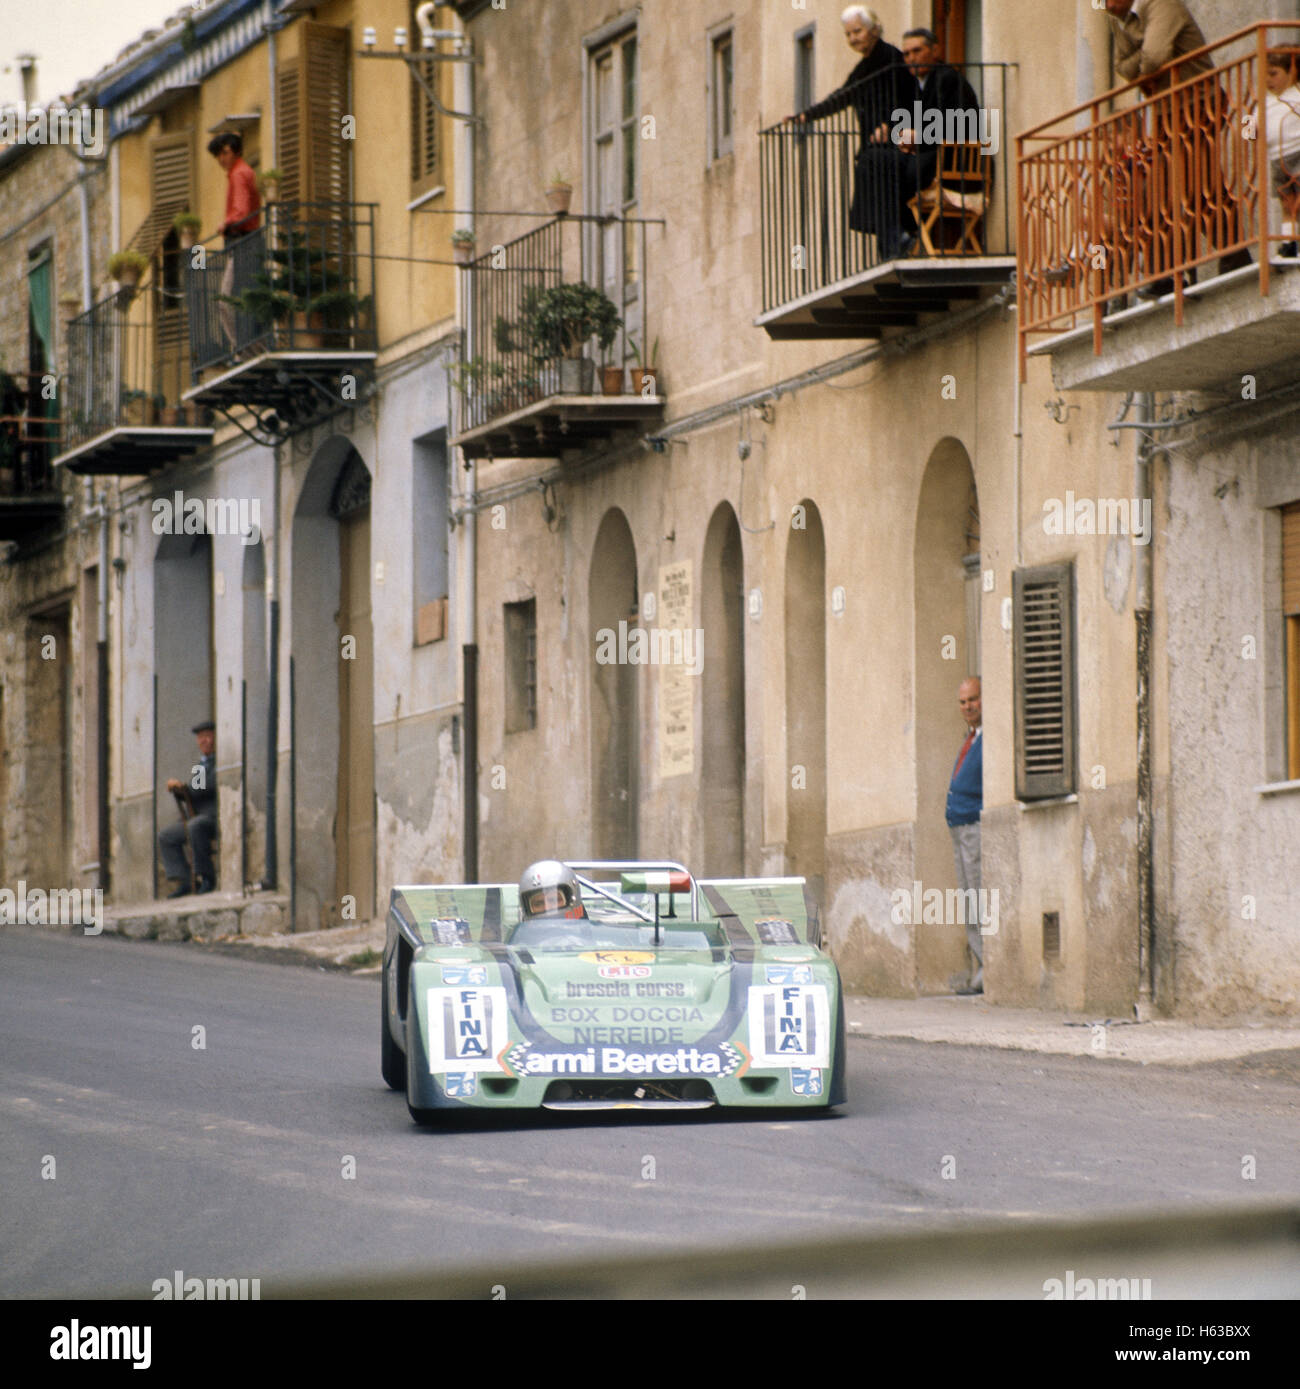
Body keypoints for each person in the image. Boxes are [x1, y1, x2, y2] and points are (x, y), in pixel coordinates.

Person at [1103, 0, 1250, 295]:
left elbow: (1154, 58)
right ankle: (1173, 272)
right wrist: (1143, 66)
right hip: (1165, 112)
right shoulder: (1116, 18)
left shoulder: (1161, 5)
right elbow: (1123, 66)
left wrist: (1143, 66)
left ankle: (1224, 263)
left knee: (1196, 187)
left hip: (1198, 102)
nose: (1105, 5)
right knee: (1172, 190)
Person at [853, 28, 979, 259]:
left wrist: (918, 136)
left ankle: (894, 240)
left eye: (917, 51)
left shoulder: (948, 79)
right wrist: (891, 133)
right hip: (927, 159)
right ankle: (894, 238)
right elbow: (907, 127)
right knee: (873, 158)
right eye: (906, 54)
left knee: (877, 164)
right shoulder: (918, 87)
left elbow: (960, 126)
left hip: (951, 161)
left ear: (935, 51)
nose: (911, 58)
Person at [786, 8, 908, 239]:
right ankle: (891, 243)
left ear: (873, 30)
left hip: (895, 142)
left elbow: (907, 99)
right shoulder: (864, 68)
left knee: (883, 192)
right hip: (874, 143)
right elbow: (843, 96)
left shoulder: (892, 58)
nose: (852, 39)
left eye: (857, 31)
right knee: (875, 191)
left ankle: (895, 240)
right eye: (848, 34)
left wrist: (890, 126)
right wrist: (806, 116)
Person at [207, 132, 262, 356]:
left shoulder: (239, 174)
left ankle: (244, 349)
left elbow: (241, 211)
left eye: (225, 152)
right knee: (245, 300)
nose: (221, 158)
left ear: (236, 151)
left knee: (226, 302)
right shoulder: (240, 173)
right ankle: (249, 348)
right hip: (249, 243)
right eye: (218, 154)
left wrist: (225, 224)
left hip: (244, 243)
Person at [945, 677, 983, 995]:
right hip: (959, 828)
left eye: (973, 699)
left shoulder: (987, 739)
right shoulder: (969, 738)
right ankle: (979, 967)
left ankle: (987, 968)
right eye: (962, 702)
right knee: (968, 898)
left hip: (974, 826)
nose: (967, 706)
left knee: (979, 896)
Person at [159, 720, 219, 897]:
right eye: (201, 738)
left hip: (213, 817)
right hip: (196, 816)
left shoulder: (221, 761)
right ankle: (186, 881)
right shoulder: (200, 765)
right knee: (166, 836)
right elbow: (193, 793)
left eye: (208, 736)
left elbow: (209, 786)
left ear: (215, 737)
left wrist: (185, 786)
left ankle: (207, 877)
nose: (204, 741)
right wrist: (177, 789)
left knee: (195, 826)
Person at [1264, 48, 1300, 257]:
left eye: (1274, 74)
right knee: (1287, 203)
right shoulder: (1265, 102)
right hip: (1276, 158)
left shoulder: (1296, 95)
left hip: (1297, 151)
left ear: (1292, 72)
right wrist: (1248, 131)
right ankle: (1289, 242)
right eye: (1265, 75)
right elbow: (1249, 130)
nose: (1269, 81)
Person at [518, 861, 587, 920]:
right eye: (538, 904)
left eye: (554, 900)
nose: (547, 908)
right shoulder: (521, 935)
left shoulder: (592, 934)